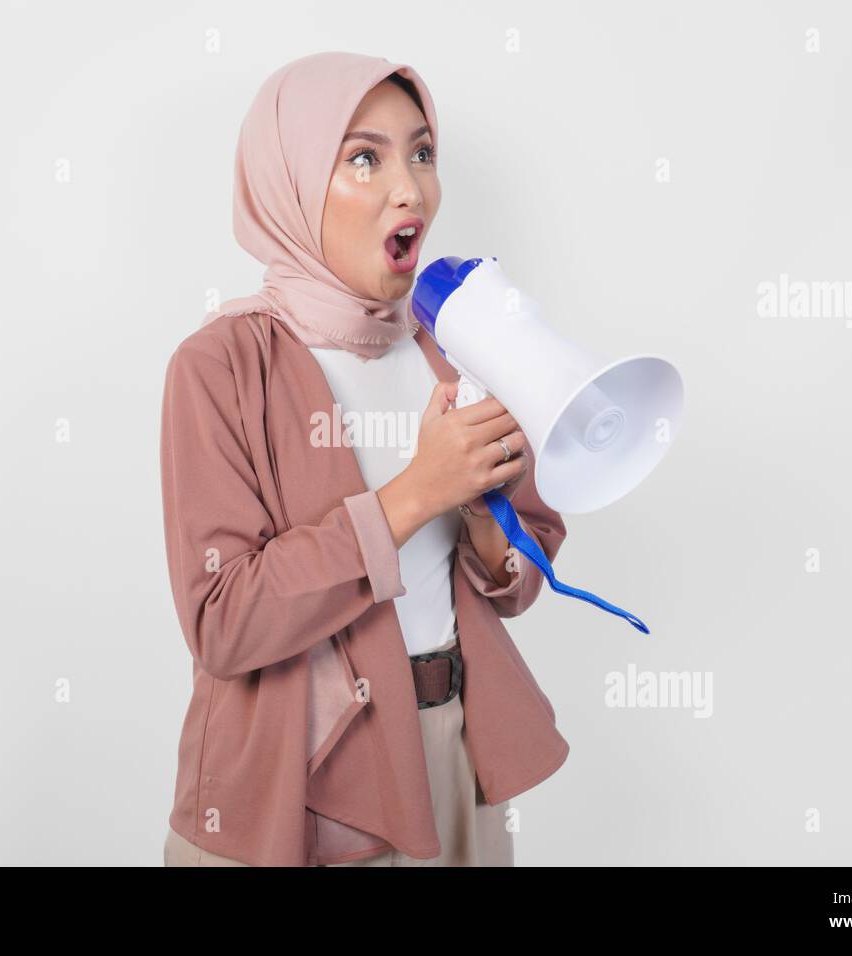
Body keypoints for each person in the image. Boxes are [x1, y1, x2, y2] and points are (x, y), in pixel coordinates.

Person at [159, 51, 568, 867]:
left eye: (421, 152)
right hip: (299, 785)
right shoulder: (220, 366)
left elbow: (523, 564)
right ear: (293, 186)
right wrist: (416, 494)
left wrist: (489, 533)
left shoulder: (450, 349)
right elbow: (223, 621)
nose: (410, 187)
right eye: (363, 158)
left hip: (459, 759)